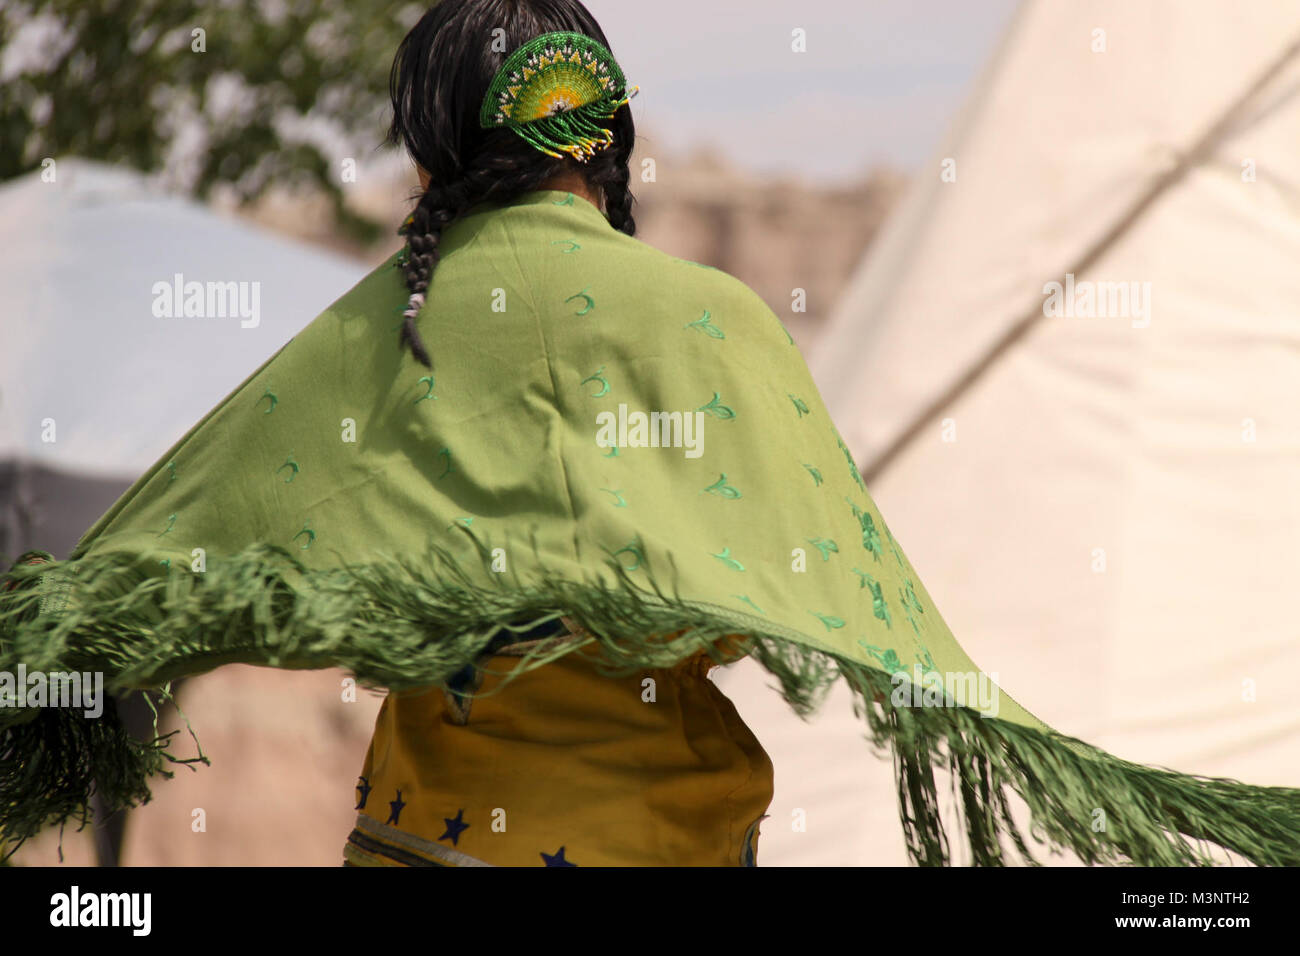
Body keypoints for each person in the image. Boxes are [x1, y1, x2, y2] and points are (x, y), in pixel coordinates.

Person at [4, 0, 1299, 867]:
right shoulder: (714, 323)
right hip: (662, 838)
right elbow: (788, 585)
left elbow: (172, 555)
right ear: (605, 137)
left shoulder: (373, 333)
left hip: (428, 839)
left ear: (435, 142)